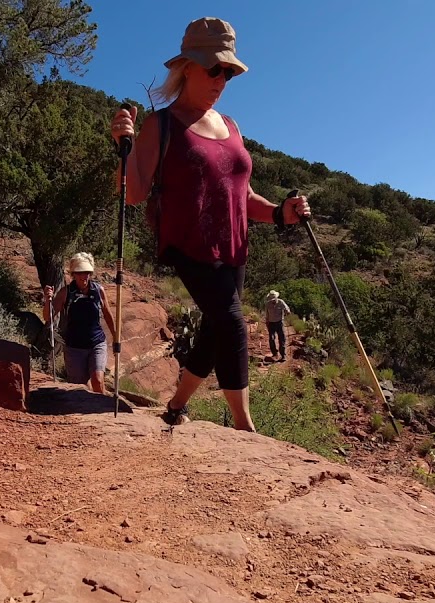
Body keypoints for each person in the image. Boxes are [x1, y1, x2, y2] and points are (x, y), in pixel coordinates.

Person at [110, 17, 310, 432]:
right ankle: (244, 426)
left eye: (230, 71)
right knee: (233, 323)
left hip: (234, 247)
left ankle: (176, 404)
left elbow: (243, 195)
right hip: (190, 246)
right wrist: (121, 150)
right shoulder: (161, 125)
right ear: (187, 66)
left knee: (216, 330)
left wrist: (279, 212)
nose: (223, 79)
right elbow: (133, 193)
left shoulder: (231, 126)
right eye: (214, 68)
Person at [43, 252, 116, 394]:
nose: (85, 276)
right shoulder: (66, 292)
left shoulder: (98, 290)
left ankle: (100, 411)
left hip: (96, 343)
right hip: (74, 347)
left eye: (87, 272)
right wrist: (47, 300)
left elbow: (107, 313)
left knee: (98, 380)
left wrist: (115, 337)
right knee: (78, 388)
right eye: (80, 272)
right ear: (73, 274)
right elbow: (48, 317)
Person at [265, 290, 292, 362]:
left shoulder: (281, 302)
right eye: (271, 299)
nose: (272, 300)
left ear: (276, 297)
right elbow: (267, 315)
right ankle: (275, 353)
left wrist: (287, 311)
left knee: (282, 338)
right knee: (271, 339)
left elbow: (287, 309)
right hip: (271, 323)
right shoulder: (268, 304)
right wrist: (267, 322)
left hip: (279, 323)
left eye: (273, 299)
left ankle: (283, 355)